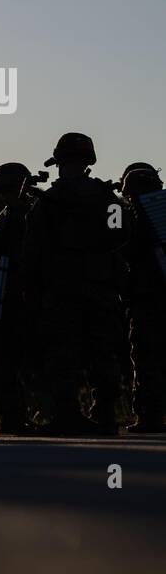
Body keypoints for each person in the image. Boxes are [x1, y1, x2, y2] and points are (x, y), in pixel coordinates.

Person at [23, 133, 127, 436]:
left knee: (70, 351)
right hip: (91, 286)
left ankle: (82, 414)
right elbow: (120, 233)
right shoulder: (101, 198)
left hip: (69, 287)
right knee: (95, 350)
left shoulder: (54, 202)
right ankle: (98, 414)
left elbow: (33, 249)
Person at [0, 162, 39, 435]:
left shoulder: (15, 216)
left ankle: (16, 415)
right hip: (5, 301)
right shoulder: (9, 218)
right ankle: (13, 416)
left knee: (12, 362)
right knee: (7, 361)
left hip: (15, 298)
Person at [119, 164, 165, 433]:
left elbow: (126, 252)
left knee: (147, 357)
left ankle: (149, 417)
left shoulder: (137, 221)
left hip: (147, 300)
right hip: (151, 297)